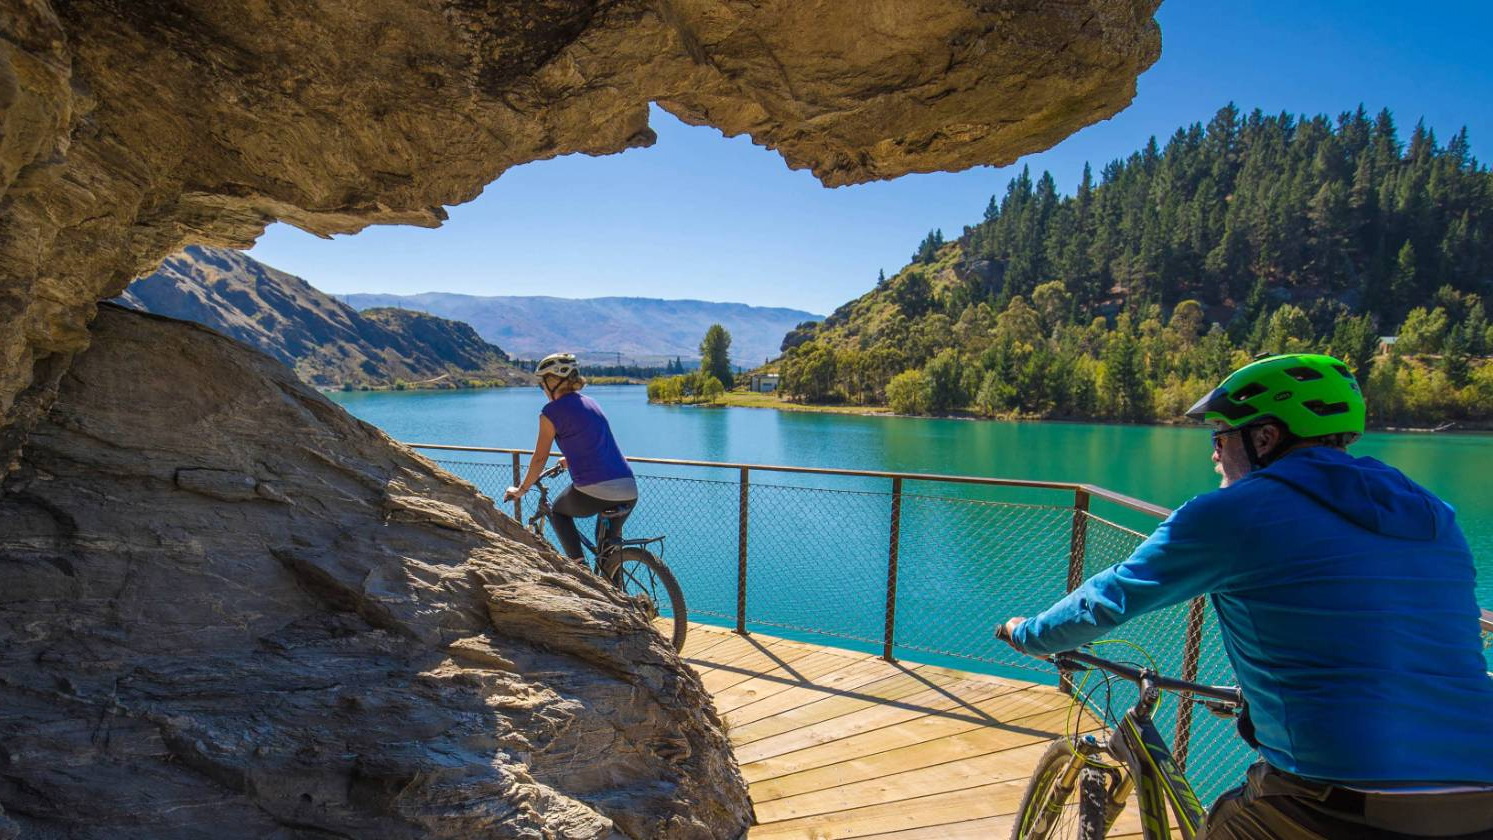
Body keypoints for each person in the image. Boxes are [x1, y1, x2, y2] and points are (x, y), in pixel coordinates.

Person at [997, 352, 1493, 838]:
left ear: (1265, 437)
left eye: (1220, 436)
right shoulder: (1433, 515)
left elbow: (1107, 598)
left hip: (1334, 796)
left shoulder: (1231, 516)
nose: (1214, 452)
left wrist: (1029, 635)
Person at [504, 353, 637, 560]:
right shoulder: (591, 403)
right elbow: (596, 442)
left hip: (597, 489)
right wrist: (570, 459)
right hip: (628, 488)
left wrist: (521, 490)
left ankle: (579, 569)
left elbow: (539, 458)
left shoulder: (551, 412)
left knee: (558, 512)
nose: (543, 390)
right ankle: (613, 584)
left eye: (543, 384)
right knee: (608, 554)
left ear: (553, 382)